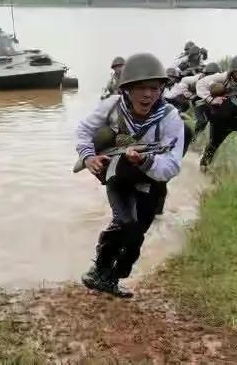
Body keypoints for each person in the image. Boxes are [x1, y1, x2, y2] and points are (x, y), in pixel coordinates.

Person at [76, 53, 185, 297]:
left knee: (136, 235)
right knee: (124, 221)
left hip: (151, 178)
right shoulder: (112, 106)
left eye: (154, 88)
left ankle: (114, 279)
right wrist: (88, 156)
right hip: (119, 173)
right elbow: (84, 130)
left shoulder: (170, 118)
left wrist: (145, 160)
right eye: (140, 88)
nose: (147, 94)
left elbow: (173, 164)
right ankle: (99, 270)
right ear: (127, 89)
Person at [196, 55, 237, 174]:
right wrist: (210, 99)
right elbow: (199, 84)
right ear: (232, 71)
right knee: (214, 143)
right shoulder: (222, 77)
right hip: (221, 118)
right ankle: (204, 165)